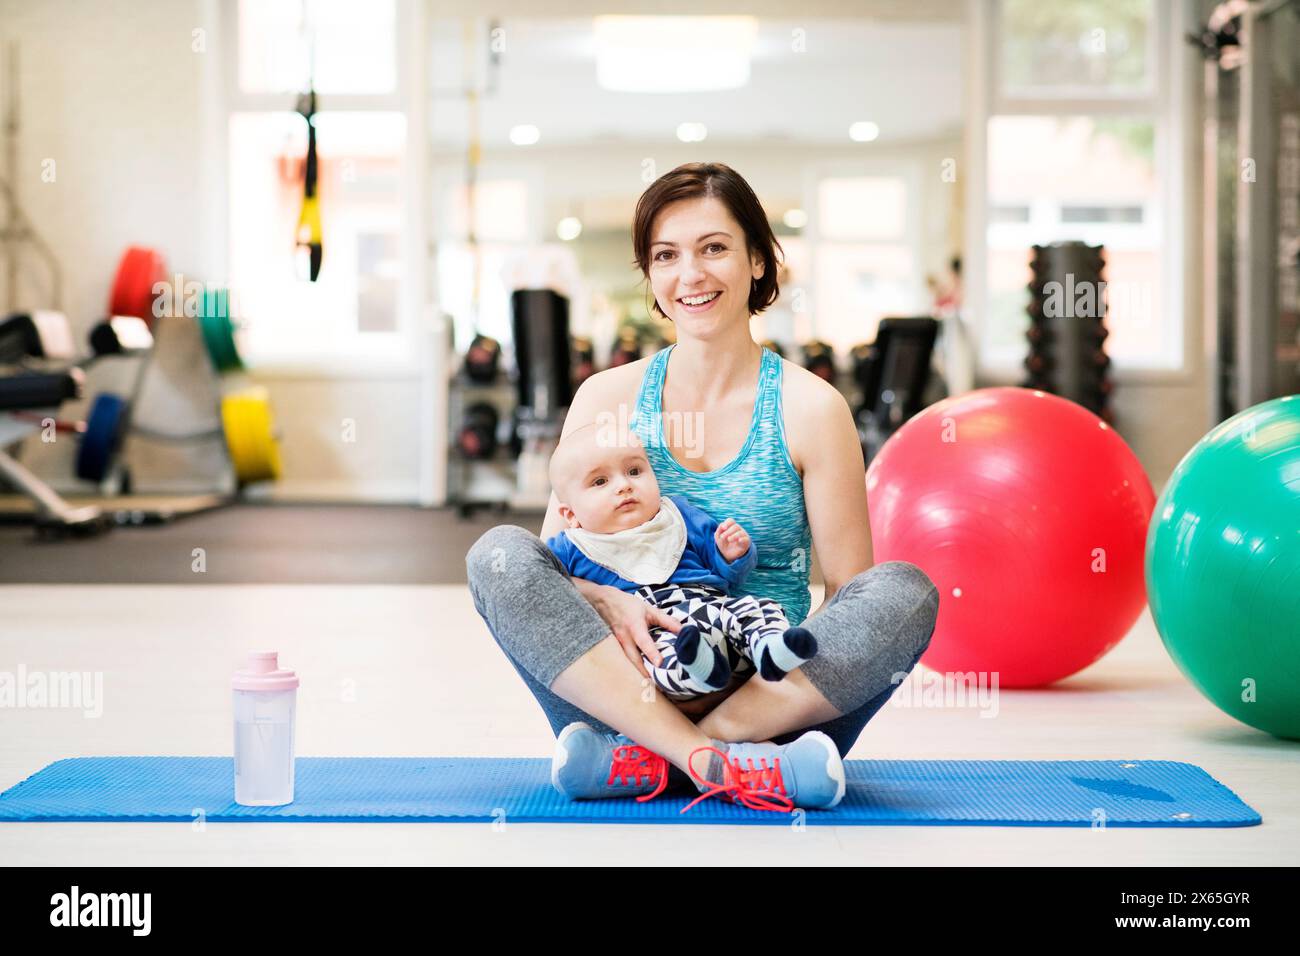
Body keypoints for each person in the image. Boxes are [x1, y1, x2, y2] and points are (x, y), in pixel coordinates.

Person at [466, 161, 940, 813]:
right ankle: (711, 763)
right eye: (667, 255)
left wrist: (760, 667)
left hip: (771, 704)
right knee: (498, 553)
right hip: (623, 696)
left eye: (714, 248)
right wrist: (610, 602)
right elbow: (551, 573)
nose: (690, 274)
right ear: (653, 277)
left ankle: (669, 759)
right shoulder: (607, 397)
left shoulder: (811, 408)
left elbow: (849, 596)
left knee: (902, 593)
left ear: (756, 261)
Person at [544, 421, 820, 701]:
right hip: (656, 628)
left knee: (757, 608)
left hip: (713, 606)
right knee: (661, 659)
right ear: (570, 515)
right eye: (600, 482)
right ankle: (701, 671)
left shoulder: (678, 515)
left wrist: (731, 553)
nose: (624, 485)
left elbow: (726, 572)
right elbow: (539, 579)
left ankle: (771, 650)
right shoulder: (569, 546)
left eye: (634, 471)